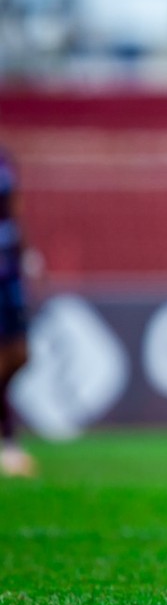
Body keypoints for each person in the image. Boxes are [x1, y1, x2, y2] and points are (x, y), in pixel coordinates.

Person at [0, 145, 34, 478]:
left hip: (10, 280)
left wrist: (26, 256)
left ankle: (8, 443)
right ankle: (9, 443)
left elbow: (16, 207)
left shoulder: (5, 158)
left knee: (21, 356)